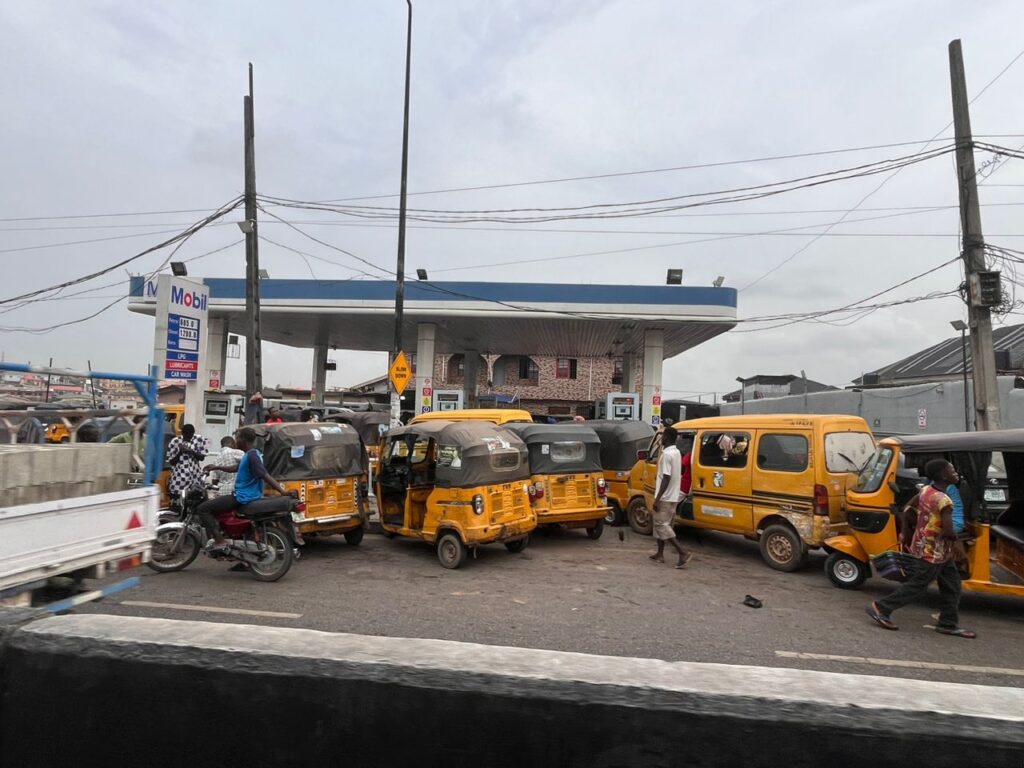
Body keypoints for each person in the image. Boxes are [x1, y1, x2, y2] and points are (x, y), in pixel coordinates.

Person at [866, 459, 976, 638]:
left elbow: (909, 506)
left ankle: (948, 623)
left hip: (930, 548)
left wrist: (907, 529)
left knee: (952, 585)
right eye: (952, 470)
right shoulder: (944, 501)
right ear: (943, 475)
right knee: (918, 585)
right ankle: (881, 608)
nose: (955, 473)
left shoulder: (926, 490)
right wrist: (959, 543)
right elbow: (948, 530)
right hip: (934, 552)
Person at [198, 427, 295, 552]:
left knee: (203, 509)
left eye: (237, 437)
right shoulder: (250, 454)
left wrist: (282, 492)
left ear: (243, 440)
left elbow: (264, 475)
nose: (235, 440)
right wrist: (217, 467)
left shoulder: (252, 456)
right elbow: (236, 467)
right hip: (247, 495)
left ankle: (220, 540)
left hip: (242, 497)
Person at [649, 426, 693, 569]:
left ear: (666, 437)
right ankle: (660, 554)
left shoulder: (667, 454)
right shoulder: (677, 452)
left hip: (665, 496)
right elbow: (680, 470)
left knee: (662, 525)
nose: (661, 439)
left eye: (662, 437)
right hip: (673, 495)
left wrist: (657, 498)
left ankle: (683, 552)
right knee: (661, 524)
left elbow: (666, 478)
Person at [166, 423, 209, 495]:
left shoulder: (200, 439)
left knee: (195, 498)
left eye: (190, 436)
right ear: (182, 433)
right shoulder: (175, 441)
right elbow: (172, 462)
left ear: (193, 433)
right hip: (179, 478)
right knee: (177, 500)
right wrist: (180, 452)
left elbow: (202, 458)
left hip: (195, 478)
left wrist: (190, 451)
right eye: (186, 436)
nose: (188, 439)